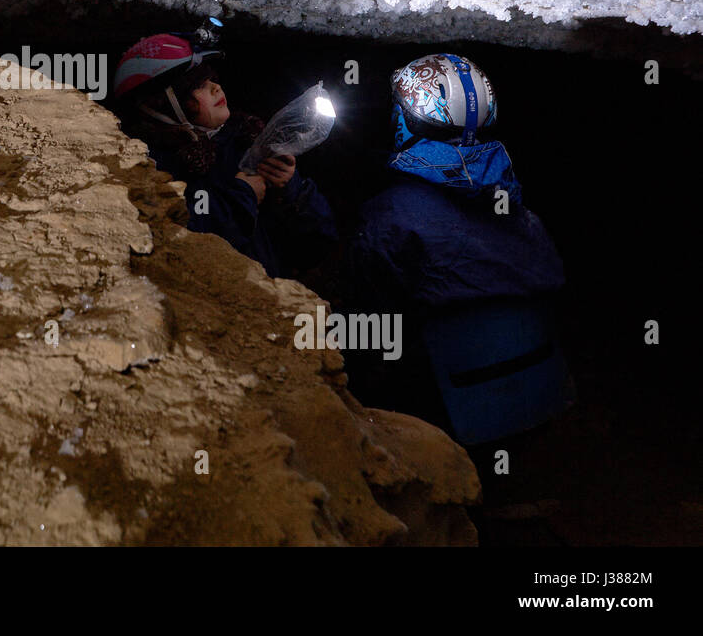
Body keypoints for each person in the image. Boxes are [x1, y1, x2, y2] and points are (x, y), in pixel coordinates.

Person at [341, 53, 571, 444]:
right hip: (537, 381)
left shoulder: (391, 214)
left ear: (403, 120)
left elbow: (371, 309)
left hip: (449, 401)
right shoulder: (515, 205)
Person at [113, 32, 335, 278]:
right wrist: (243, 196)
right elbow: (186, 245)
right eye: (197, 85)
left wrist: (292, 190)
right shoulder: (153, 169)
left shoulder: (245, 144)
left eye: (211, 79)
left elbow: (318, 248)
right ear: (162, 106)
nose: (216, 87)